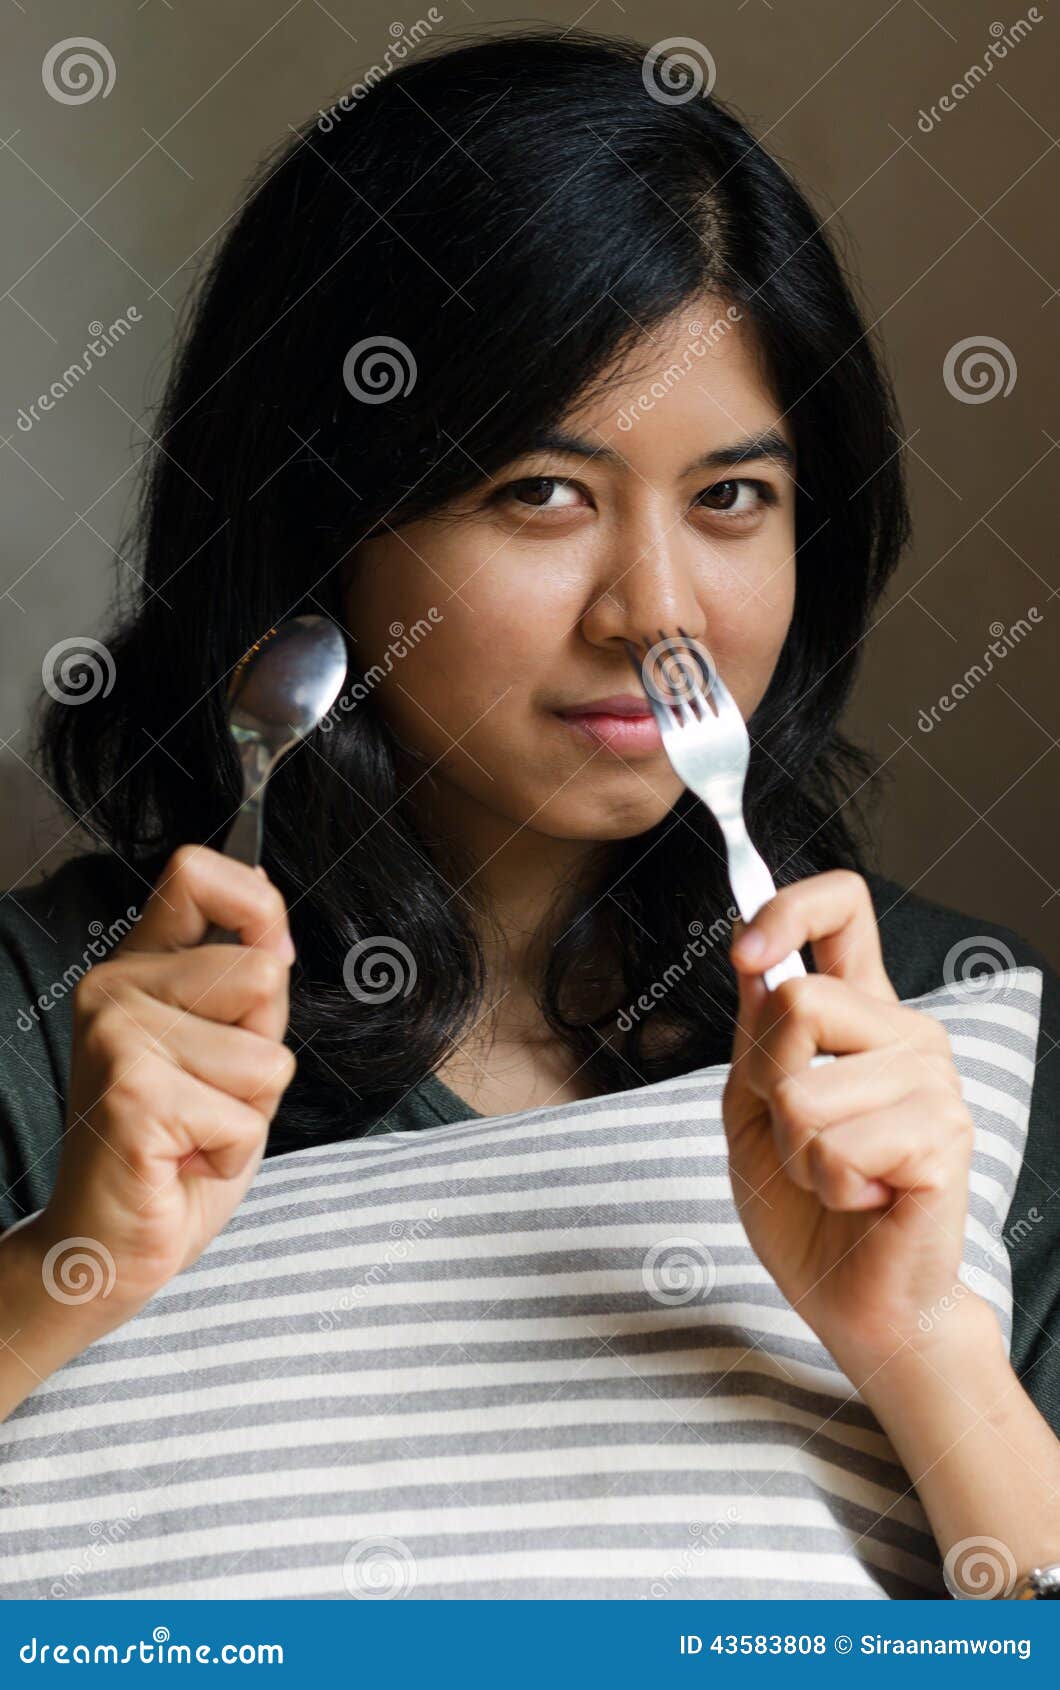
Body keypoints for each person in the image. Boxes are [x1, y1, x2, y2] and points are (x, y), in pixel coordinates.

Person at [1, 27, 1057, 1593]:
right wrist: (58, 1276)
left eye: (731, 498)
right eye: (540, 493)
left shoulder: (959, 1043)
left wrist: (923, 1347)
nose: (654, 609)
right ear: (327, 527)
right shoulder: (52, 1024)